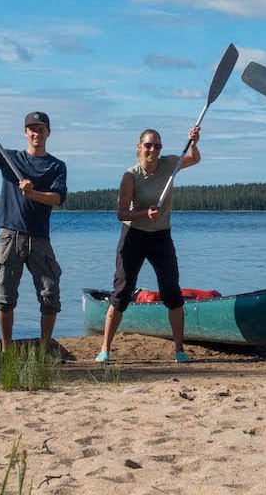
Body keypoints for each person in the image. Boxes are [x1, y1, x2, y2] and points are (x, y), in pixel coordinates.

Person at [97, 127, 202, 364]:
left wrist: (193, 142)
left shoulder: (170, 164)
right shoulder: (130, 176)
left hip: (161, 237)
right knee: (122, 291)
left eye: (157, 146)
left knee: (172, 292)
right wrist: (145, 213)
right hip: (134, 234)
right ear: (139, 147)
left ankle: (179, 350)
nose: (153, 150)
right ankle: (104, 349)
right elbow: (121, 213)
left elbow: (194, 158)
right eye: (148, 145)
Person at [0, 106, 67, 353]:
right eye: (32, 130)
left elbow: (57, 198)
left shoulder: (56, 166)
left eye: (41, 129)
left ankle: (44, 350)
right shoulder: (9, 158)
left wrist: (32, 193)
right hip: (10, 236)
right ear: (25, 133)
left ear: (48, 133)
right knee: (5, 298)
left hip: (40, 239)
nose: (36, 134)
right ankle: (6, 350)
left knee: (50, 296)